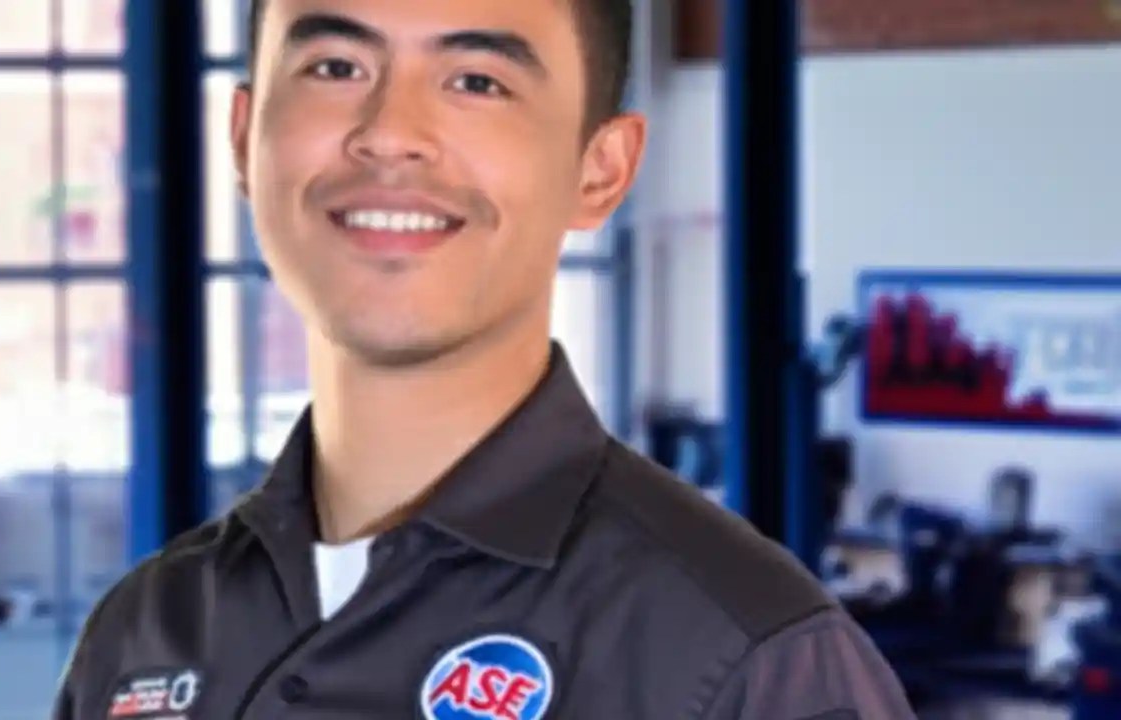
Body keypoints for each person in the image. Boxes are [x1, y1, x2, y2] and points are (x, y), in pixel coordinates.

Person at [52, 0, 917, 717]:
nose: (390, 134)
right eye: (335, 68)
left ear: (600, 169)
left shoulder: (744, 656)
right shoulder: (146, 634)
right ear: (244, 137)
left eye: (476, 81)